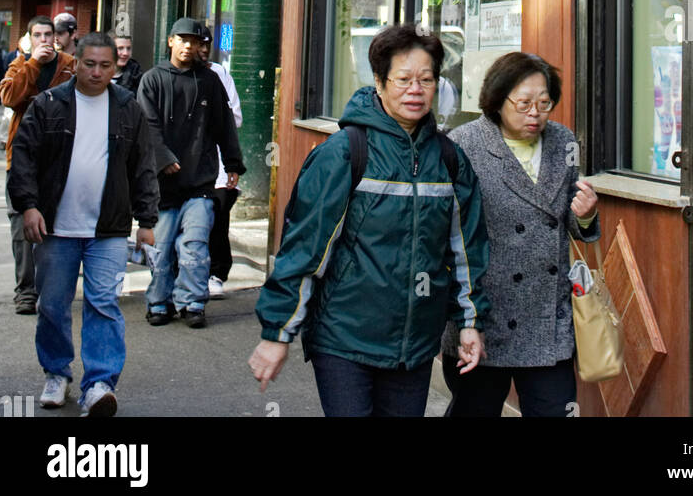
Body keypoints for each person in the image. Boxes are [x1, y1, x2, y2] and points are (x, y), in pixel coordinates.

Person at [248, 22, 490, 418]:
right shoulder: (345, 152)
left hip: (413, 347)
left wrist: (470, 321)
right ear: (378, 81)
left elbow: (468, 251)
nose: (416, 89)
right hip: (345, 339)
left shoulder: (449, 159)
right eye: (404, 79)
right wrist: (278, 332)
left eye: (426, 79)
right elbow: (304, 249)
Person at [440, 51, 600, 418]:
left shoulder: (563, 142)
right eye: (524, 103)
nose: (535, 114)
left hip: (547, 320)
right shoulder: (464, 144)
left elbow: (571, 223)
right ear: (498, 100)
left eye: (544, 103)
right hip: (482, 316)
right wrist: (465, 316)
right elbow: (447, 234)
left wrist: (587, 215)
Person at [7, 33, 158, 416]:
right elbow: (23, 159)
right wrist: (28, 206)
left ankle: (100, 384)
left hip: (107, 228)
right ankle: (57, 373)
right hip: (55, 227)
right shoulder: (49, 104)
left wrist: (147, 220)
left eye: (105, 65)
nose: (96, 71)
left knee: (103, 303)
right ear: (76, 64)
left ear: (115, 67)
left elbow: (143, 165)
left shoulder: (127, 107)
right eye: (89, 64)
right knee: (54, 306)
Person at [138, 17, 244, 329]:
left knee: (195, 244)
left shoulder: (210, 81)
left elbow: (224, 125)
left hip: (201, 179)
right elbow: (147, 124)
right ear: (170, 41)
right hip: (163, 184)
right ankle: (159, 301)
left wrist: (234, 164)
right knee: (163, 245)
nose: (188, 46)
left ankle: (193, 302)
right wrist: (163, 158)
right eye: (182, 39)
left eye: (195, 41)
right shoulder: (153, 79)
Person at [0, 17, 75, 313]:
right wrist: (32, 65)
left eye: (49, 34)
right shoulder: (20, 65)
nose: (44, 40)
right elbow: (8, 97)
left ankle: (51, 288)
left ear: (57, 37)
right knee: (21, 225)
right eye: (38, 35)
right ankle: (25, 291)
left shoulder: (70, 65)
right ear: (30, 38)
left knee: (54, 225)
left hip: (59, 158)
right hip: (21, 157)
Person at [195, 29, 242, 298]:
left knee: (218, 217)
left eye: (205, 44)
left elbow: (234, 117)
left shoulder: (219, 74)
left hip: (217, 163)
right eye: (195, 43)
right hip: (185, 163)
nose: (201, 49)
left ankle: (216, 272)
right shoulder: (167, 75)